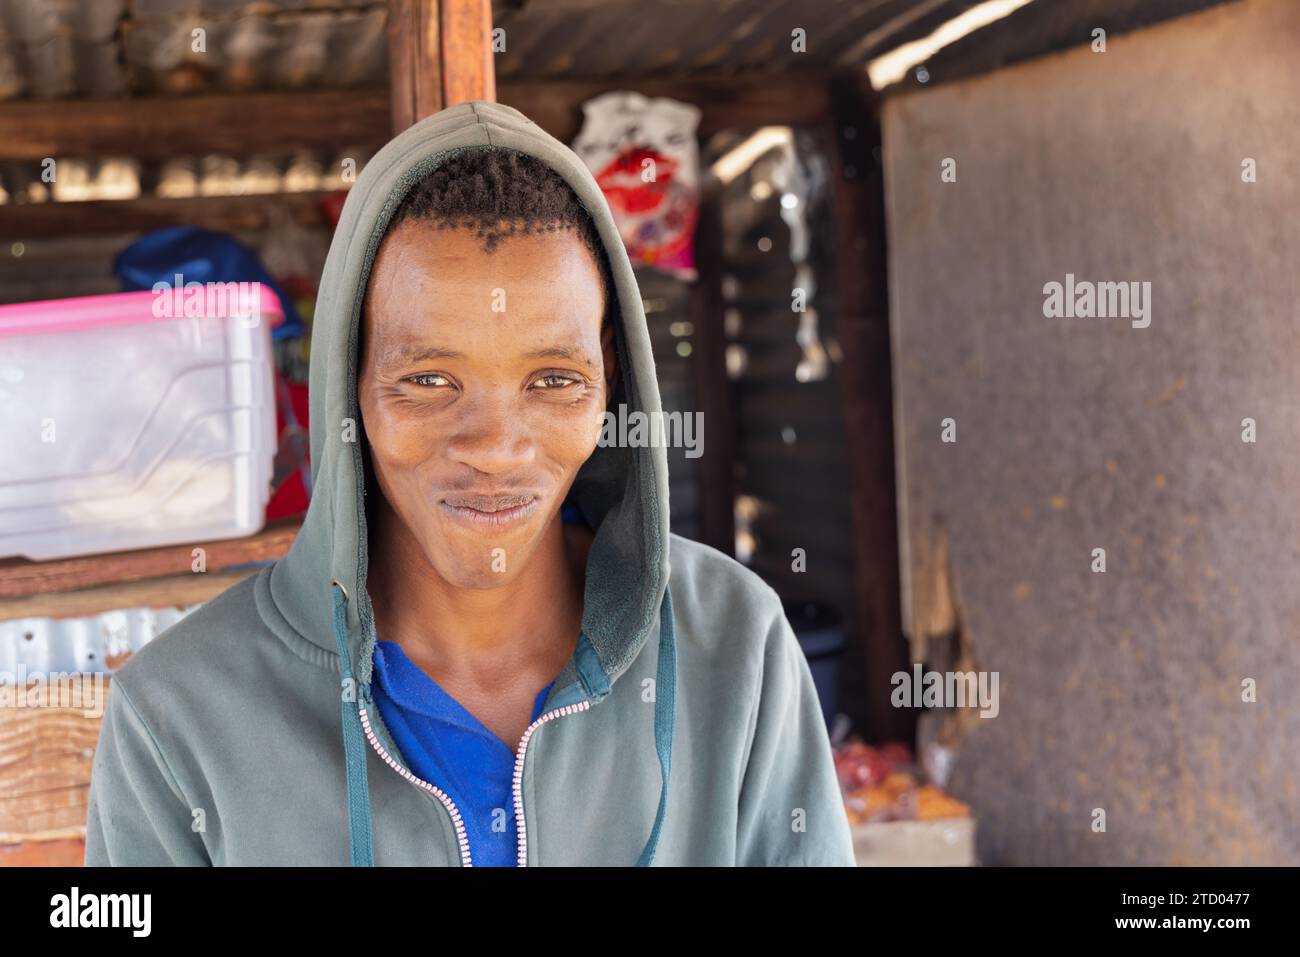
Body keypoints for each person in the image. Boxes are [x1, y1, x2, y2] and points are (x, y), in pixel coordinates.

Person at [84, 100, 856, 866]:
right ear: (346, 382)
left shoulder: (731, 647)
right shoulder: (178, 716)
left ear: (610, 380)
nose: (494, 447)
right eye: (426, 379)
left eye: (553, 378)